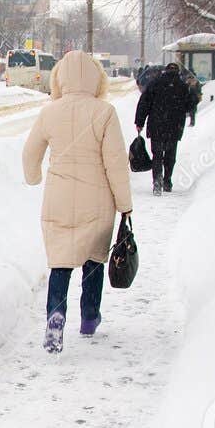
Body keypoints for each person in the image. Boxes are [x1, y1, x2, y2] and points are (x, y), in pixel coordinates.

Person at [22, 51, 133, 354]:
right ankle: (89, 317)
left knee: (60, 262)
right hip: (96, 199)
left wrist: (33, 177)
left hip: (57, 197)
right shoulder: (104, 112)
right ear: (97, 78)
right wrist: (125, 203)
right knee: (93, 259)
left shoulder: (49, 112)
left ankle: (55, 320)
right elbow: (115, 162)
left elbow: (30, 152)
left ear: (59, 77)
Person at [134, 62, 196, 195]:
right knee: (170, 155)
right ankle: (167, 181)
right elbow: (190, 105)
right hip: (174, 127)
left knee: (157, 155)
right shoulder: (183, 87)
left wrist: (139, 122)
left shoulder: (154, 84)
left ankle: (157, 180)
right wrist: (192, 91)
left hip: (156, 126)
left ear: (165, 72)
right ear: (177, 72)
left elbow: (144, 104)